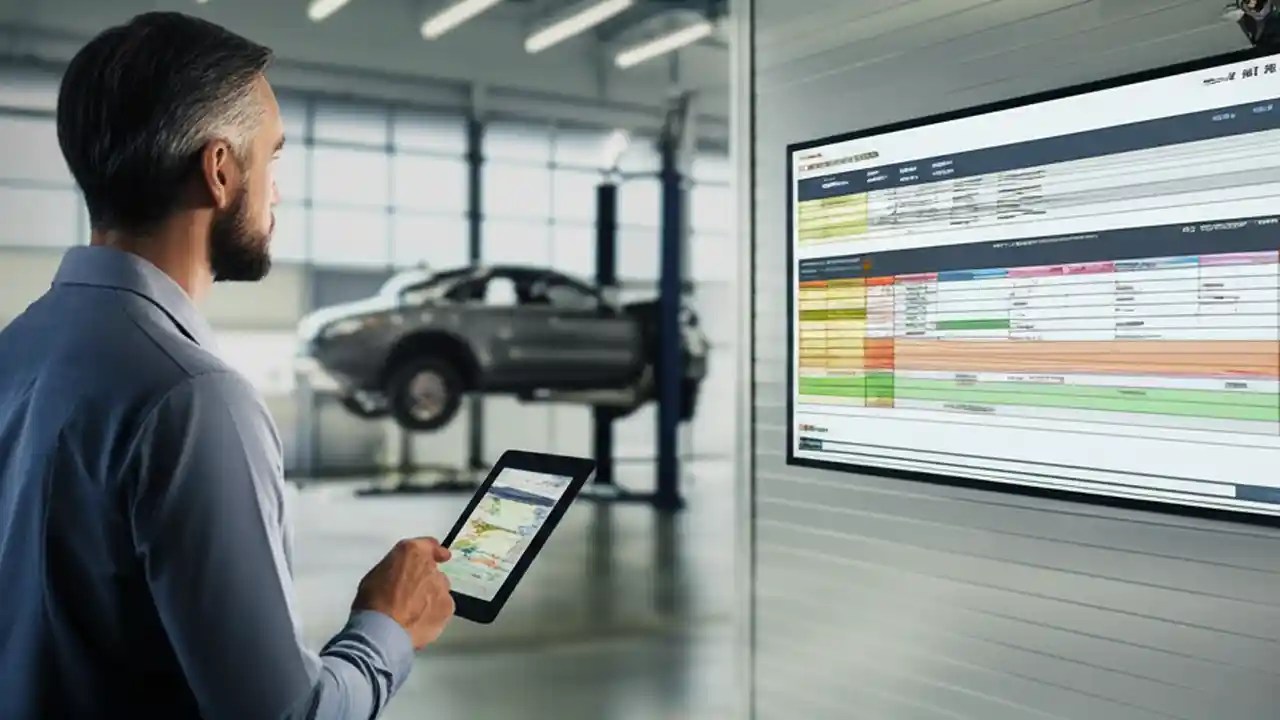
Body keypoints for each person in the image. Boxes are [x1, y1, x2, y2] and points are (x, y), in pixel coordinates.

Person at [0, 12, 455, 719]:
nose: (278, 189)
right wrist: (385, 627)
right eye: (272, 157)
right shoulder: (190, 398)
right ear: (219, 170)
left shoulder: (17, 347)